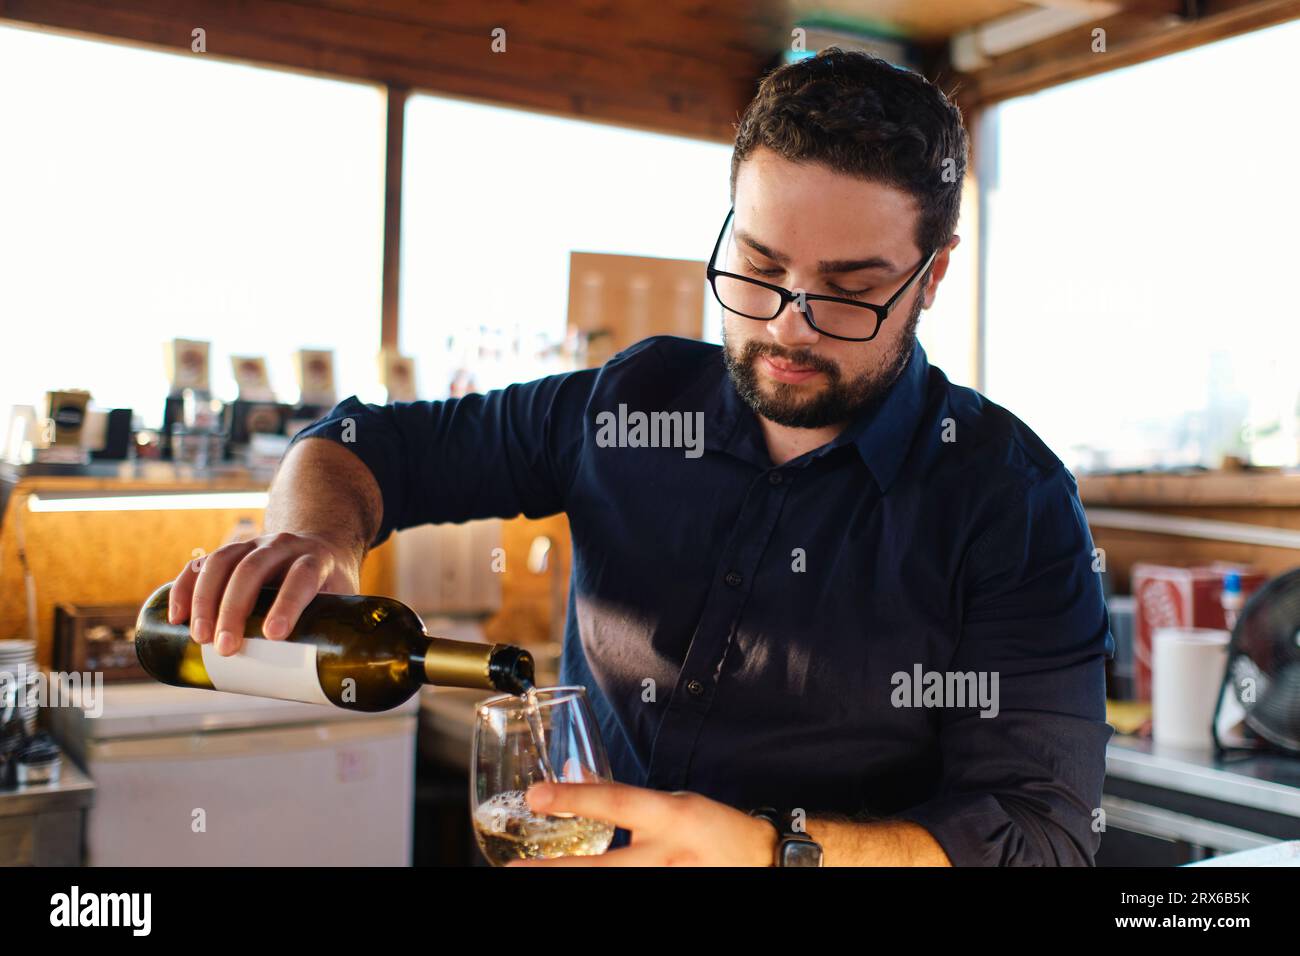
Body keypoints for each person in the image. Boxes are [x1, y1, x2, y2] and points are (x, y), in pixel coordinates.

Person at [167, 47, 1113, 866]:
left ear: (932, 274)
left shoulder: (1011, 502)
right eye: (760, 266)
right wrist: (318, 539)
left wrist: (769, 851)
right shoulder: (632, 403)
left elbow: (1044, 837)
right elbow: (362, 444)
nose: (787, 325)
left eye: (848, 289)